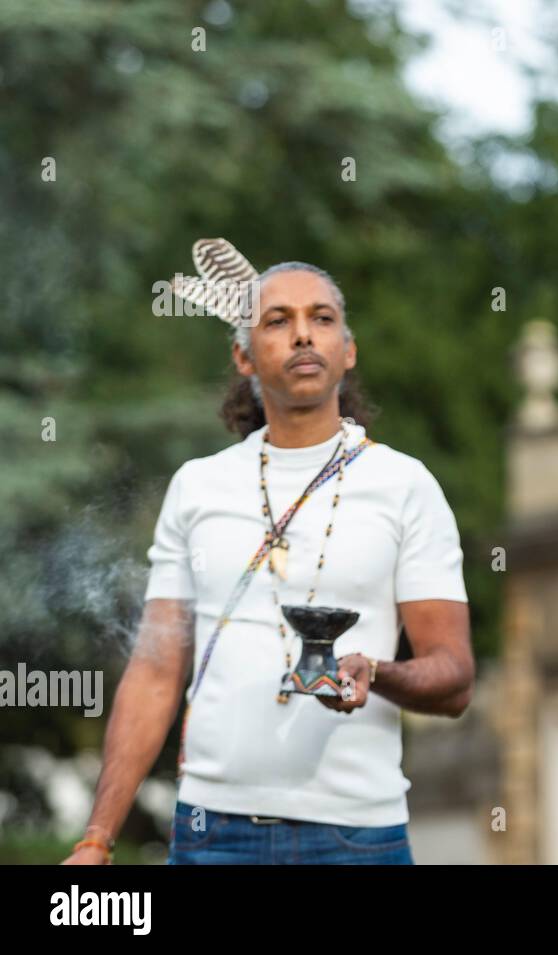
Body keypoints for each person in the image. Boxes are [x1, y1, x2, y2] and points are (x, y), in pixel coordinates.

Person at [62, 240, 474, 865]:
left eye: (322, 318)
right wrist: (96, 839)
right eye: (277, 321)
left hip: (355, 836)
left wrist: (377, 673)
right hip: (210, 834)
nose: (303, 335)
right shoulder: (198, 487)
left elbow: (454, 678)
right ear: (243, 355)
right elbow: (154, 673)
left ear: (348, 349)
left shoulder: (404, 486)